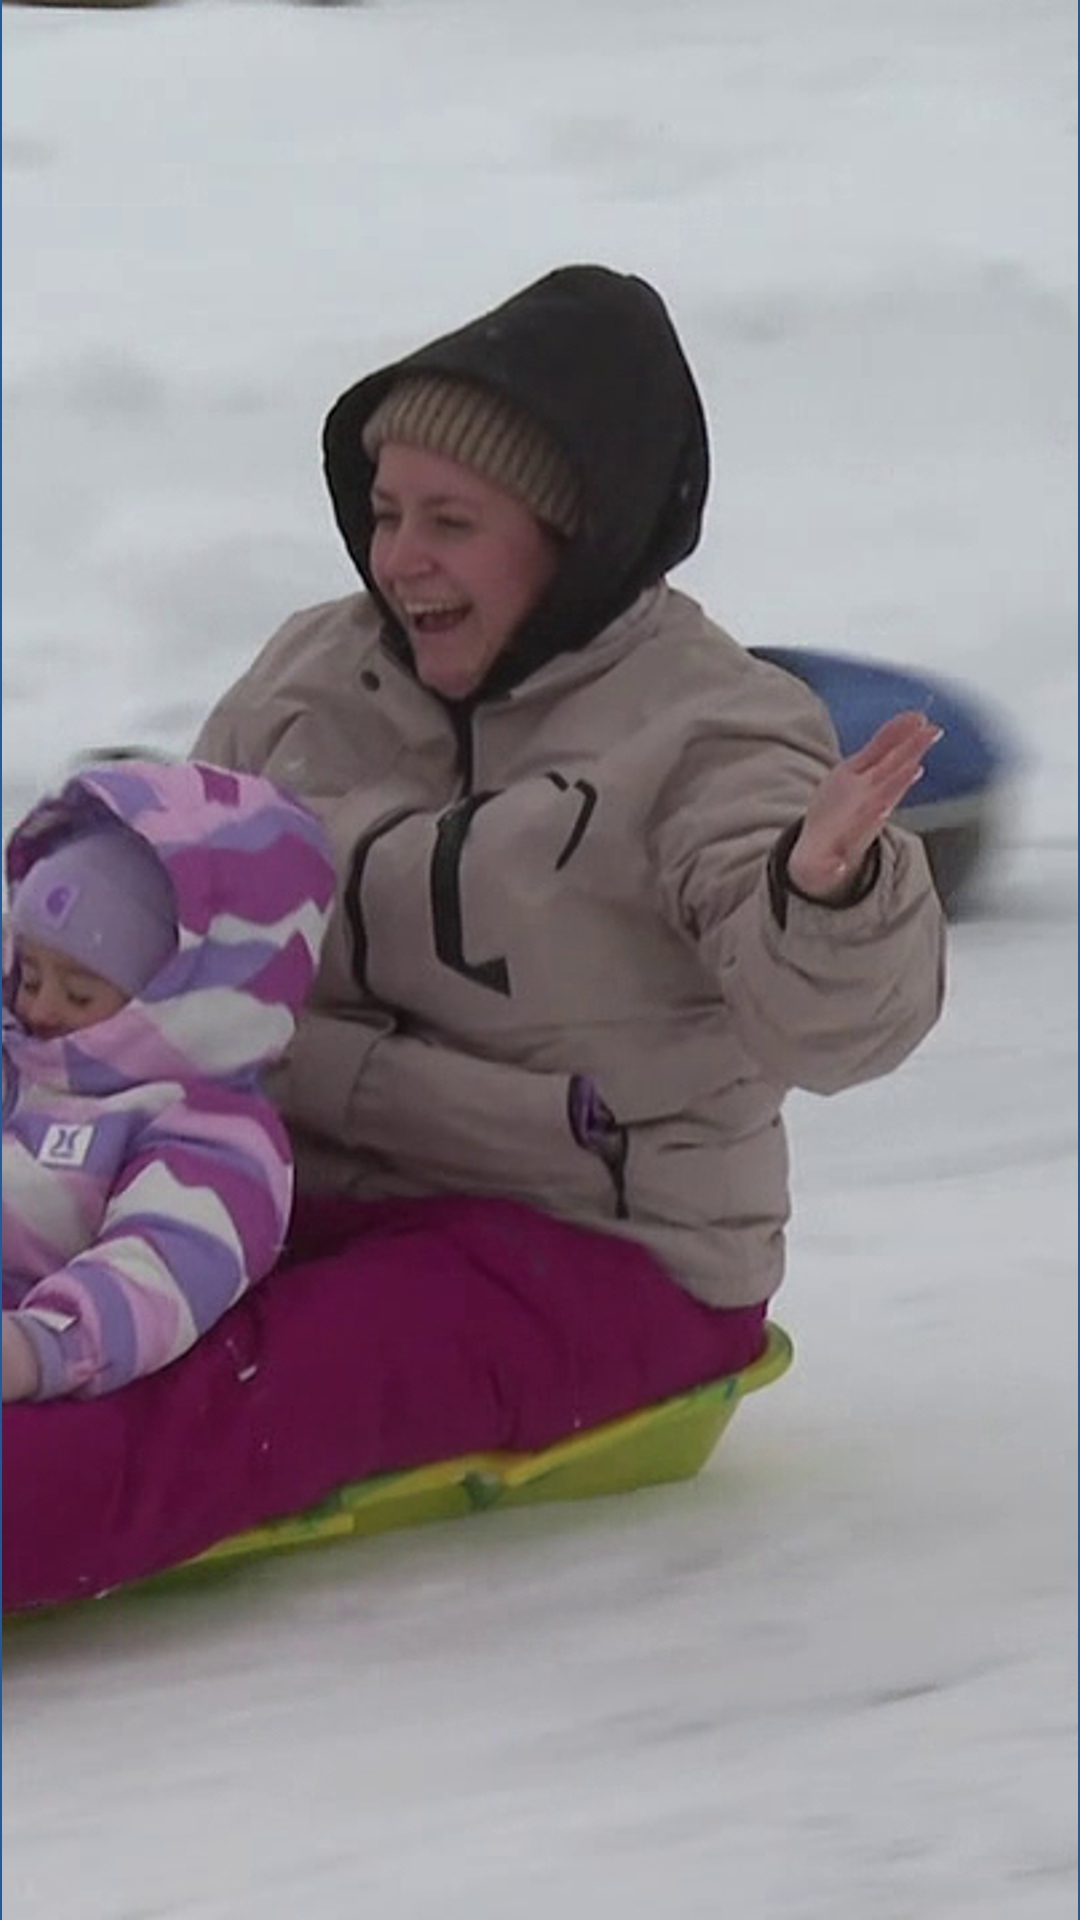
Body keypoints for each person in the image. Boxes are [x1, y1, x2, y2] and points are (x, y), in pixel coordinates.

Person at [3, 265, 945, 1614]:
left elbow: (836, 1024)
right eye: (388, 515)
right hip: (285, 1169)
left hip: (586, 1247)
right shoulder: (312, 680)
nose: (401, 558)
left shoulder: (710, 727)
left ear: (578, 534)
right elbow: (181, 926)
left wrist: (828, 890)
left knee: (226, 1382)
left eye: (454, 520)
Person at [2, 758, 336, 1406]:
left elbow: (163, 1265)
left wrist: (40, 1344)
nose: (39, 1009)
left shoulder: (209, 1133)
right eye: (31, 975)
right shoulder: (20, 1049)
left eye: (78, 992)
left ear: (172, 997)